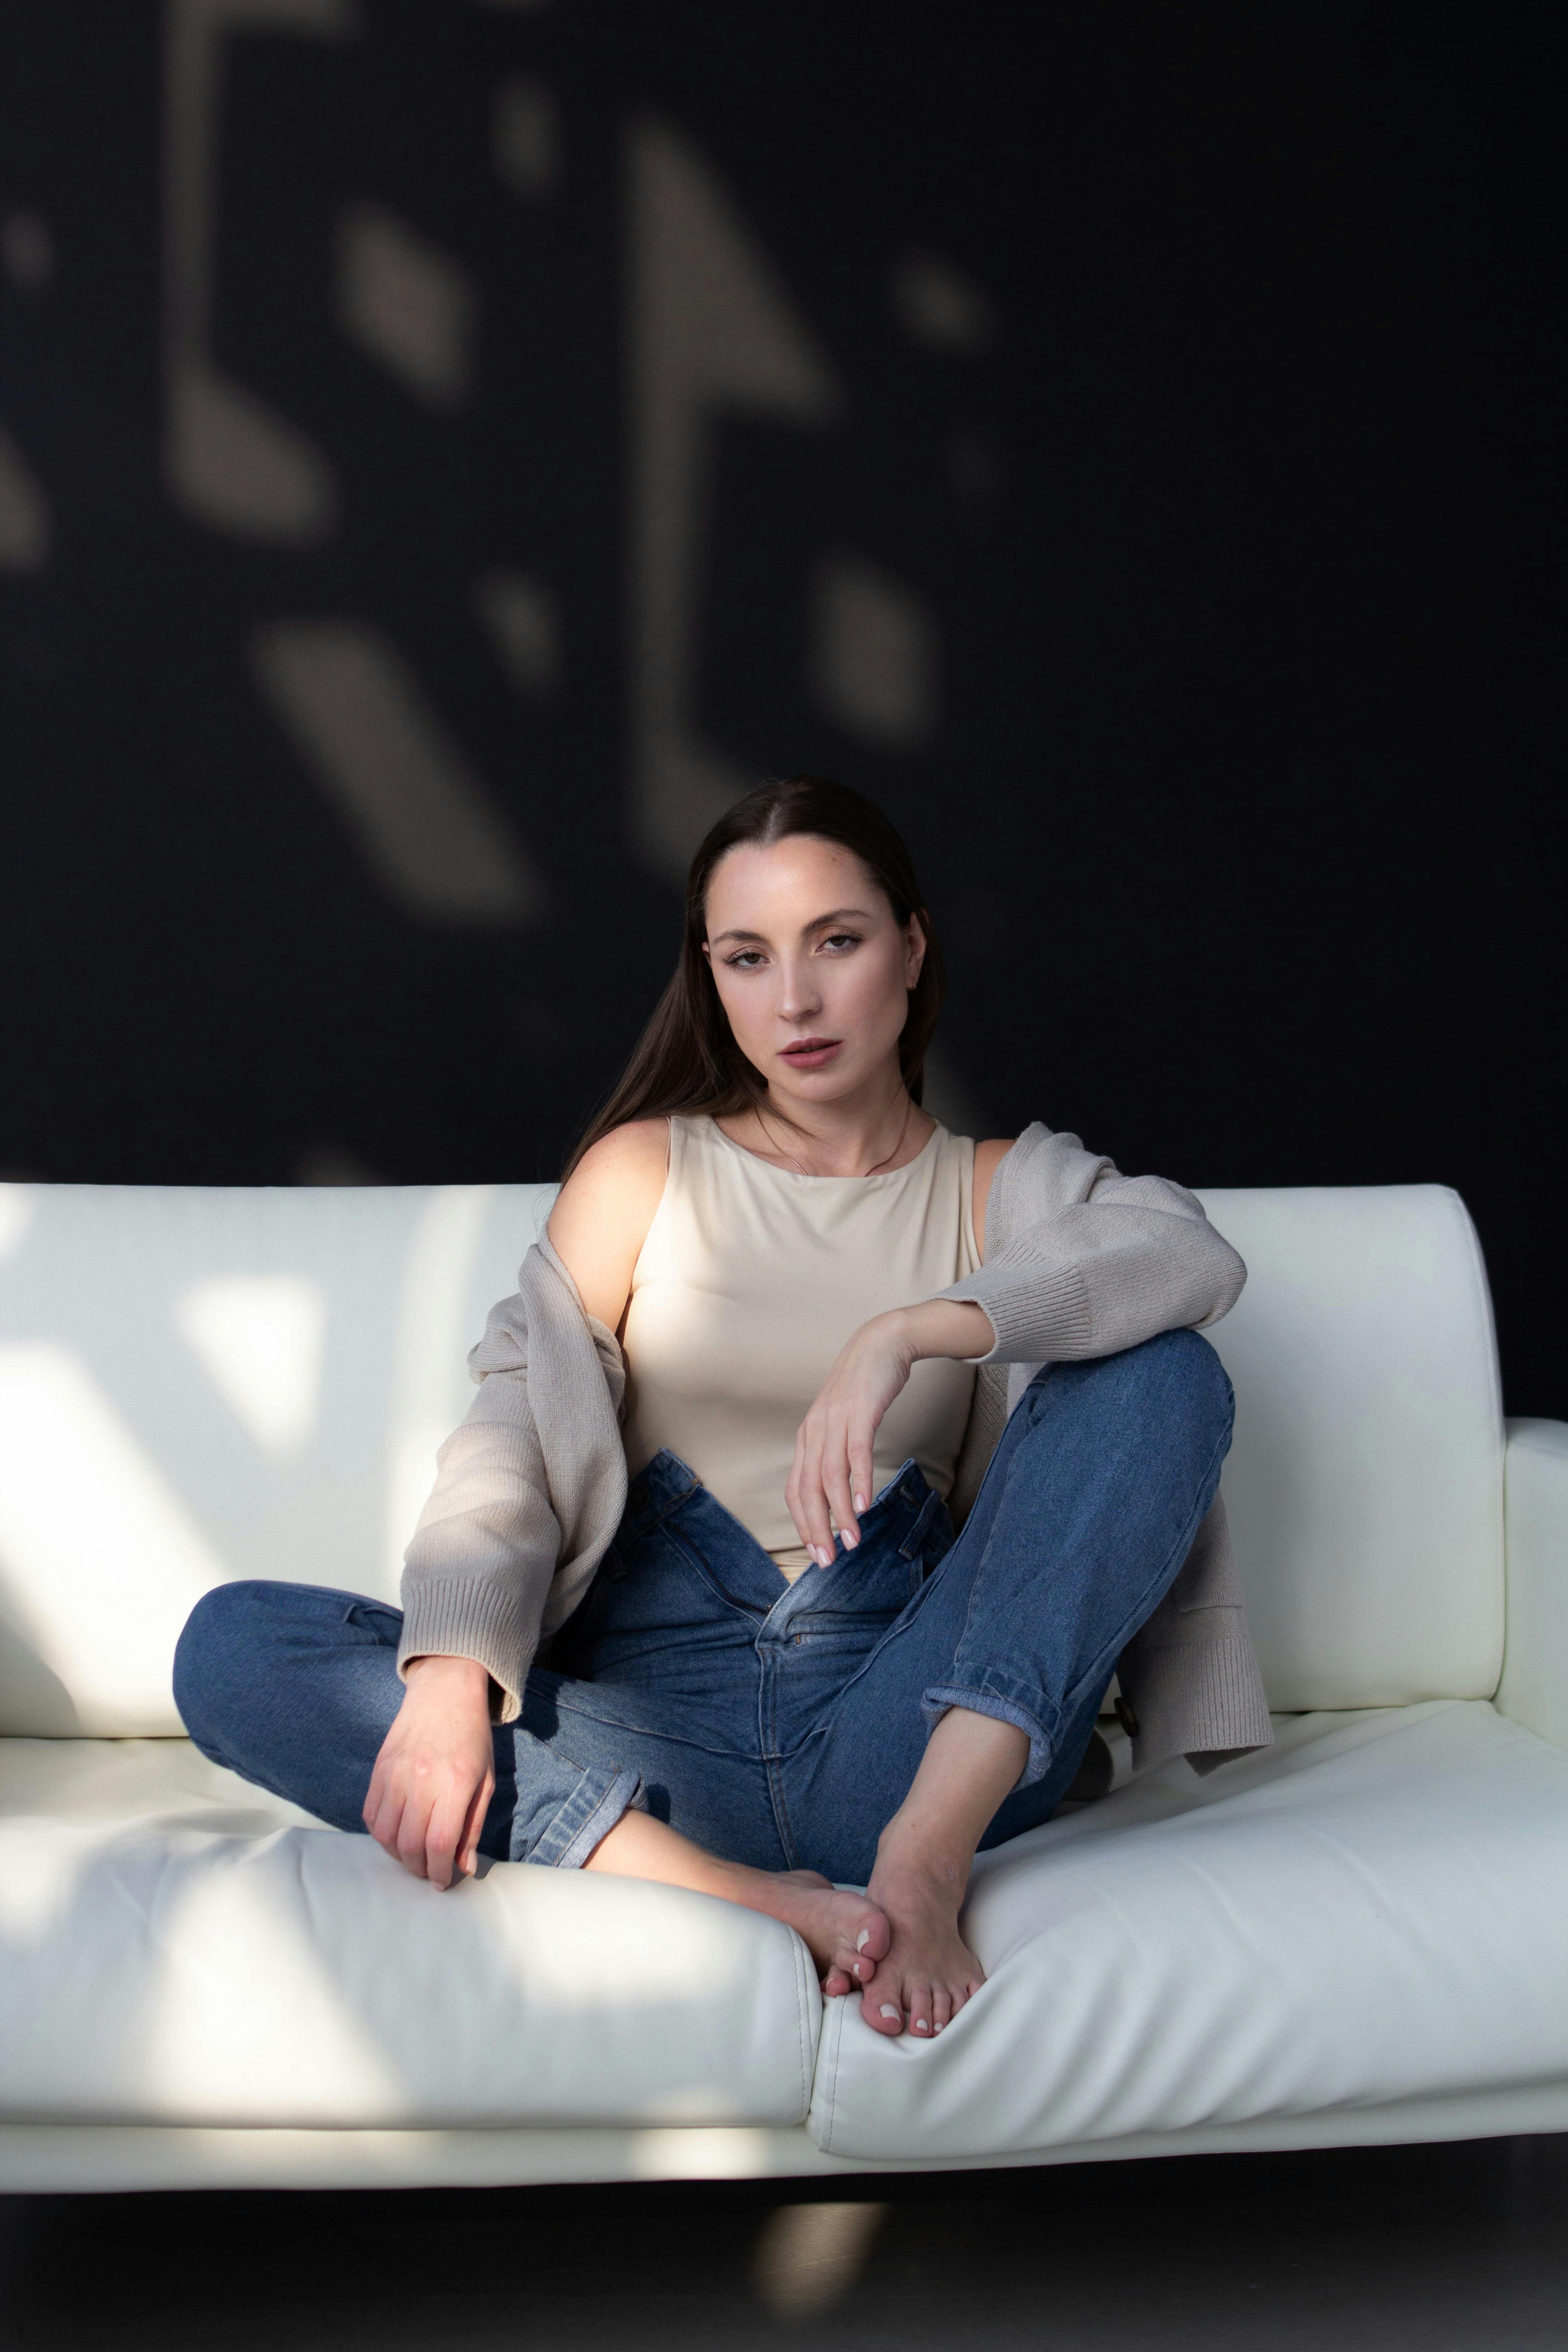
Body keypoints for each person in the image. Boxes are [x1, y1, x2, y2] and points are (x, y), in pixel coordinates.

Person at [175, 776, 1270, 2041]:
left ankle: (919, 1870)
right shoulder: (644, 1169)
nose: (794, 1002)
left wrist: (904, 1334)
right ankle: (752, 1902)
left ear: (912, 948)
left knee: (1163, 1372)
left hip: (907, 1734)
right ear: (712, 977)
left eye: (837, 943)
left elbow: (1186, 1255)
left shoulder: (997, 1190)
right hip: (649, 1749)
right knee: (234, 1643)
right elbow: (515, 1435)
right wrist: (446, 1677)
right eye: (748, 959)